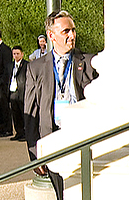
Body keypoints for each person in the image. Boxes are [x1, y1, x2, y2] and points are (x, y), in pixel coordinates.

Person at [22, 11, 97, 158]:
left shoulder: (90, 63)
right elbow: (31, 114)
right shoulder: (35, 68)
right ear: (51, 35)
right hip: (51, 141)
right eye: (66, 31)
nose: (72, 35)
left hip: (83, 139)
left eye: (73, 30)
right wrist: (35, 155)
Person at [7, 46, 28, 140]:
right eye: (14, 54)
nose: (16, 56)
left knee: (23, 112)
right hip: (13, 91)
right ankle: (19, 132)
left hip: (22, 91)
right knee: (15, 113)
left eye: (17, 54)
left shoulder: (26, 65)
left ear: (22, 54)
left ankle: (25, 133)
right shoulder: (10, 65)